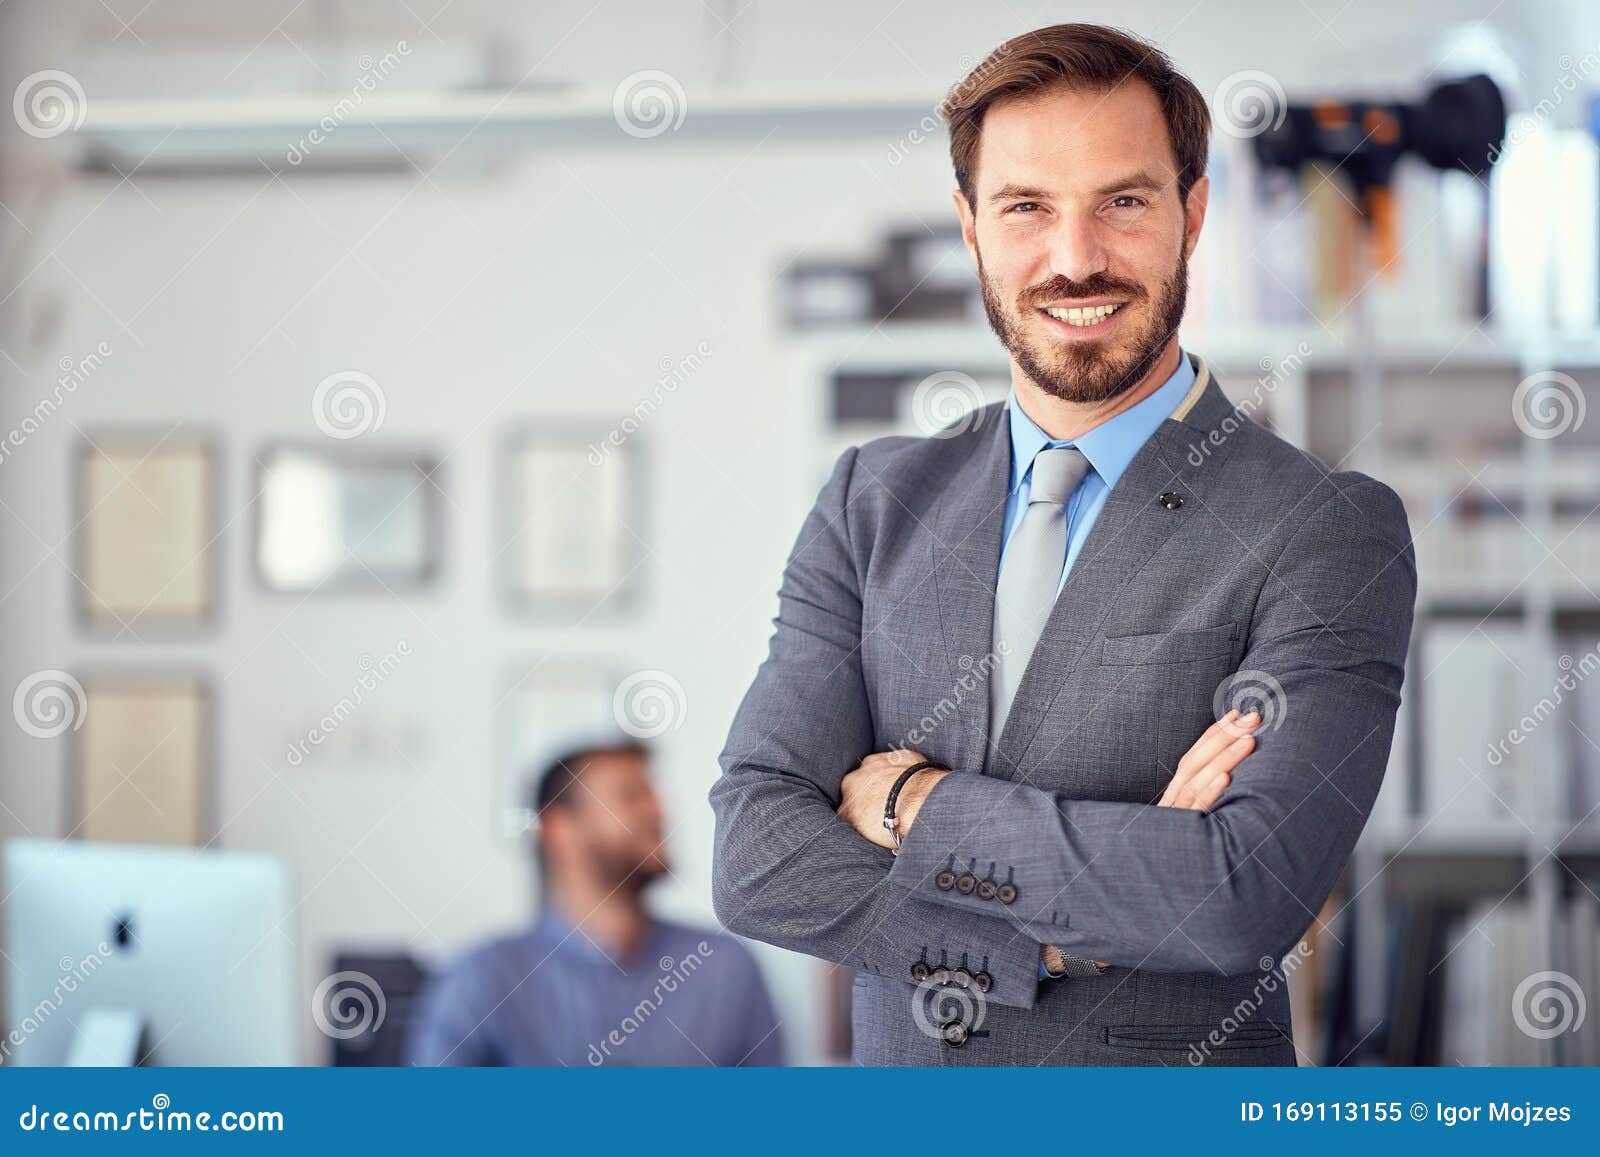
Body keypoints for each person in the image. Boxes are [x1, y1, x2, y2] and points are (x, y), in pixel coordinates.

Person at [711, 23, 1416, 1066]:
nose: (1074, 257)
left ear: (1194, 211)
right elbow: (756, 855)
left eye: (1122, 202)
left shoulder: (1321, 527)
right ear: (969, 227)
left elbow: (1236, 894)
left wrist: (913, 802)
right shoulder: (873, 500)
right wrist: (1040, 941)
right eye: (1026, 207)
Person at [409, 739, 783, 1066]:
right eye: (631, 795)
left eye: (652, 794)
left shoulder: (725, 968)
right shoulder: (481, 979)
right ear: (559, 829)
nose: (657, 810)